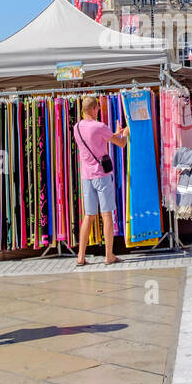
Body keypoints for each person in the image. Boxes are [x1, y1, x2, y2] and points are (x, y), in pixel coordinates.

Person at [74, 96, 130, 266]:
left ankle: (80, 257)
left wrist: (114, 133)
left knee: (88, 216)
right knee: (106, 215)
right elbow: (120, 144)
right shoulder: (99, 126)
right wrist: (125, 133)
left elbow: (98, 139)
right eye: (97, 108)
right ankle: (109, 255)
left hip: (86, 176)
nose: (98, 110)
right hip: (101, 175)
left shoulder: (76, 127)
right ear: (93, 109)